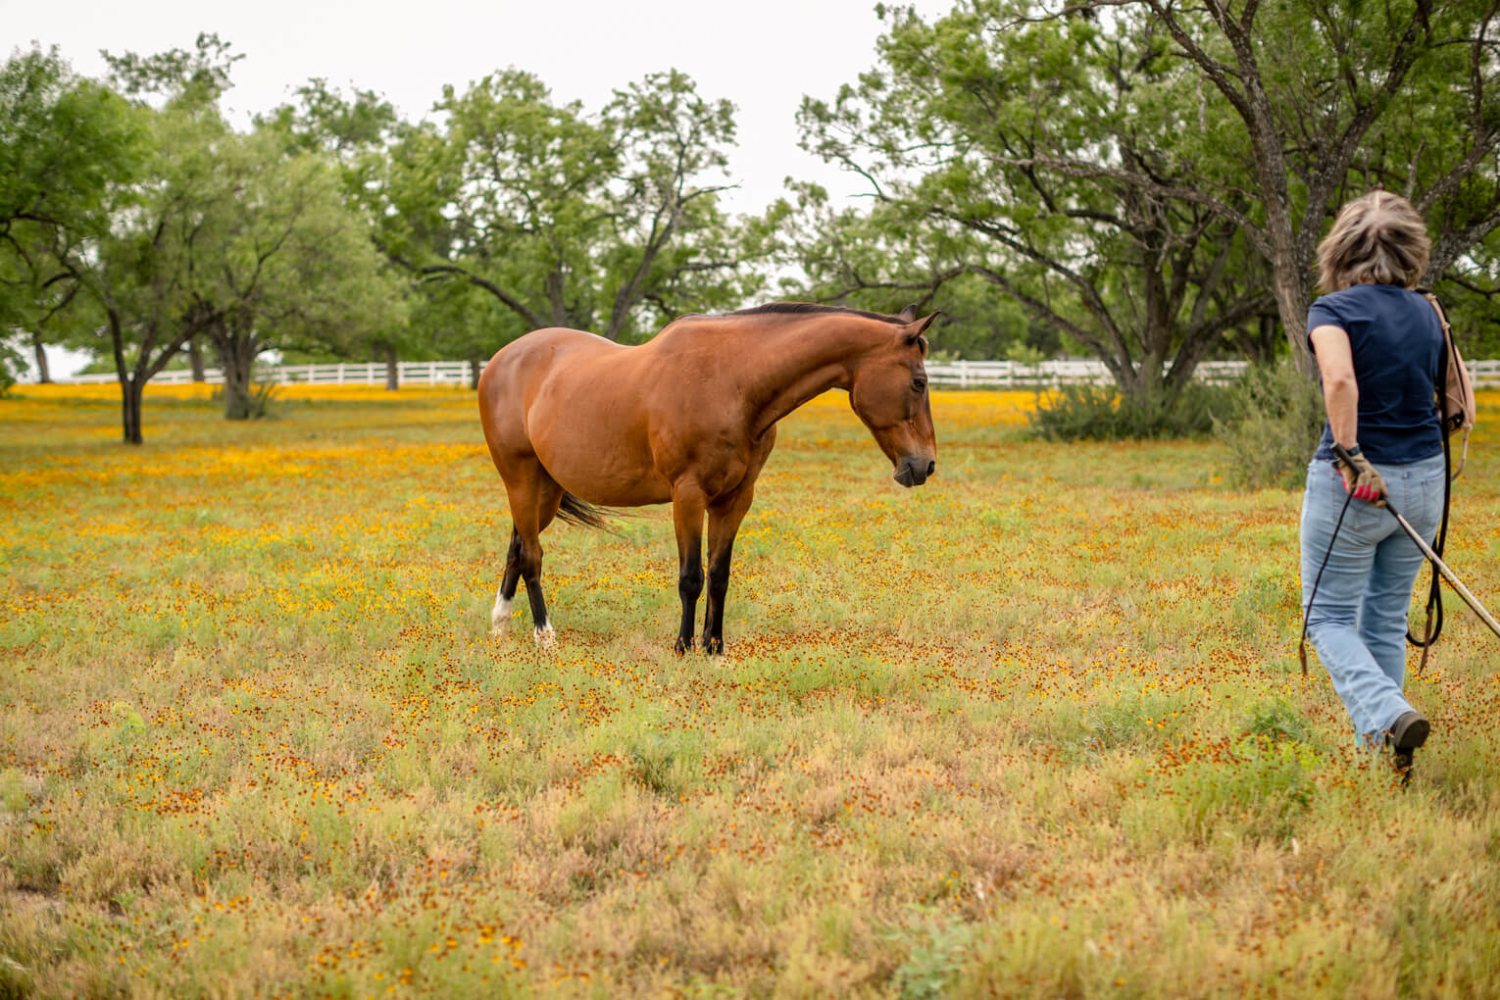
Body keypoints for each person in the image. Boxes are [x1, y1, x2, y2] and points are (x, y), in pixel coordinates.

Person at [1301, 190, 1445, 780]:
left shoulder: (1332, 311)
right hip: (1425, 481)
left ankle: (1387, 711)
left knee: (1327, 618)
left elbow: (1339, 379)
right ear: (1410, 248)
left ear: (1342, 246)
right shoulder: (1429, 311)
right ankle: (1384, 758)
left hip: (1359, 486)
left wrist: (1352, 455)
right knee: (1383, 618)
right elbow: (1456, 401)